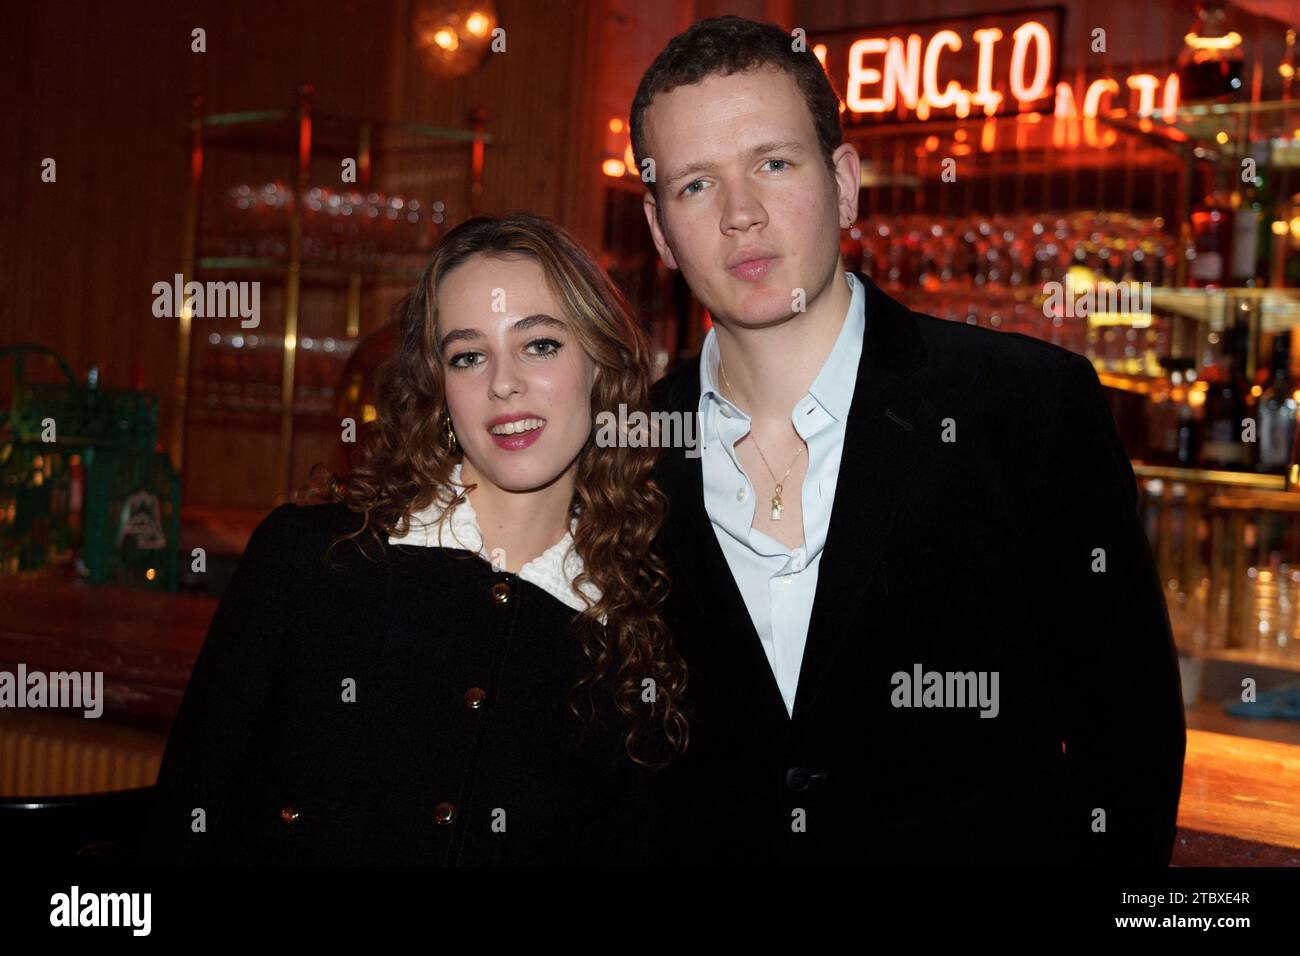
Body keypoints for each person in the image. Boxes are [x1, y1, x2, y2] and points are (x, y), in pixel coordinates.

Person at [632, 15, 1186, 865]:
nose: (741, 214)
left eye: (773, 164)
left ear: (845, 183)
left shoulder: (1029, 408)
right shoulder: (624, 452)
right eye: (696, 185)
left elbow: (1129, 740)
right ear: (661, 228)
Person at [140, 213, 686, 865]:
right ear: (439, 388)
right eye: (469, 355)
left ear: (601, 363)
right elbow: (182, 831)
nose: (503, 383)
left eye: (539, 344)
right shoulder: (309, 560)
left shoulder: (636, 631)